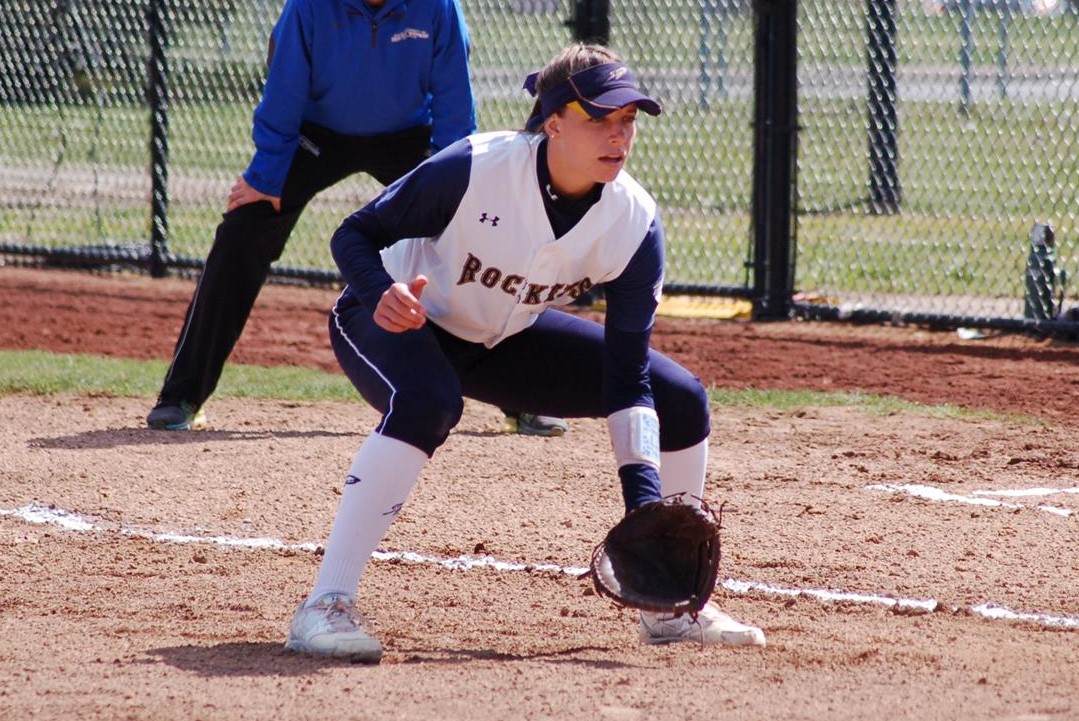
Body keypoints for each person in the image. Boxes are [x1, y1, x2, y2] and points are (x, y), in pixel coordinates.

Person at [284, 43, 766, 663]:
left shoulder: (633, 222)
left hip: (500, 341)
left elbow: (628, 380)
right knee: (429, 400)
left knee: (681, 397)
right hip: (394, 319)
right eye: (600, 119)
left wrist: (645, 504)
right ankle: (324, 605)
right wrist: (382, 293)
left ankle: (671, 608)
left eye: (628, 121)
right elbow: (355, 232)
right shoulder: (476, 168)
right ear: (554, 123)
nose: (618, 135)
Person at [145, 0, 566, 437]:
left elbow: (454, 101)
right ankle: (182, 395)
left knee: (478, 236)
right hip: (316, 136)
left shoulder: (438, 7)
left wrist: (459, 189)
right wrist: (266, 177)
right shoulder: (308, 8)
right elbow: (284, 91)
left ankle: (523, 399)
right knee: (243, 230)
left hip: (412, 138)